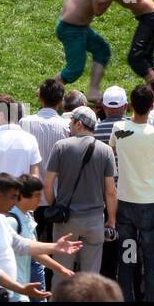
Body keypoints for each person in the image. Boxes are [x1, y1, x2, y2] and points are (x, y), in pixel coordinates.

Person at [0, 173, 82, 301]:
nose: (16, 202)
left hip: (5, 295)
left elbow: (20, 244)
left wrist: (56, 247)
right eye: (13, 197)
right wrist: (20, 289)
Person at [110, 84, 154, 302]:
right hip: (149, 205)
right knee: (152, 262)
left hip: (125, 204)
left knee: (126, 261)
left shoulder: (118, 129)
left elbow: (112, 152)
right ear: (152, 106)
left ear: (130, 104)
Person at [43, 105, 116, 274]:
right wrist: (111, 220)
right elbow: (111, 191)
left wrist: (56, 205)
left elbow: (48, 184)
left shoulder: (61, 146)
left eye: (71, 121)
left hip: (66, 220)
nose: (69, 125)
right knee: (91, 276)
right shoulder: (106, 151)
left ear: (79, 124)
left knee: (62, 273)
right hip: (95, 220)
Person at [53, 0, 119, 99]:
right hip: (70, 28)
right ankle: (46, 91)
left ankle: (93, 92)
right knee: (74, 70)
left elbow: (98, 11)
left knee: (102, 49)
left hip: (80, 28)